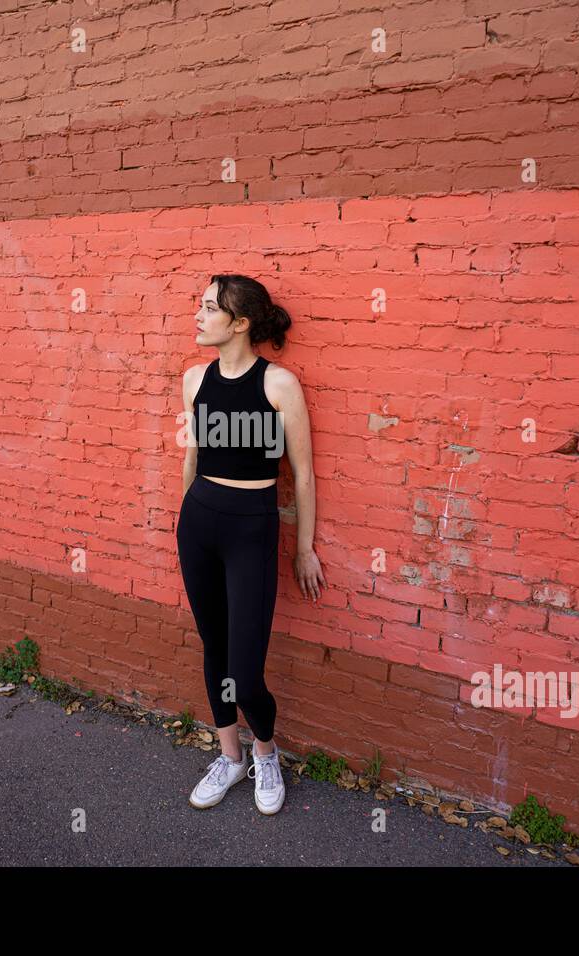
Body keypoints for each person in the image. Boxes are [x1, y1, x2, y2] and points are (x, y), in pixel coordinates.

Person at [177, 274, 326, 815]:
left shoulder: (279, 385)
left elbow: (303, 475)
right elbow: (192, 457)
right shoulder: (194, 380)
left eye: (209, 307)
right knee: (214, 648)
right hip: (200, 523)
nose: (198, 314)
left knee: (245, 664)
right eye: (200, 304)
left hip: (252, 525)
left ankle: (266, 753)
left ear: (239, 323)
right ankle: (230, 756)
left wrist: (303, 547)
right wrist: (185, 517)